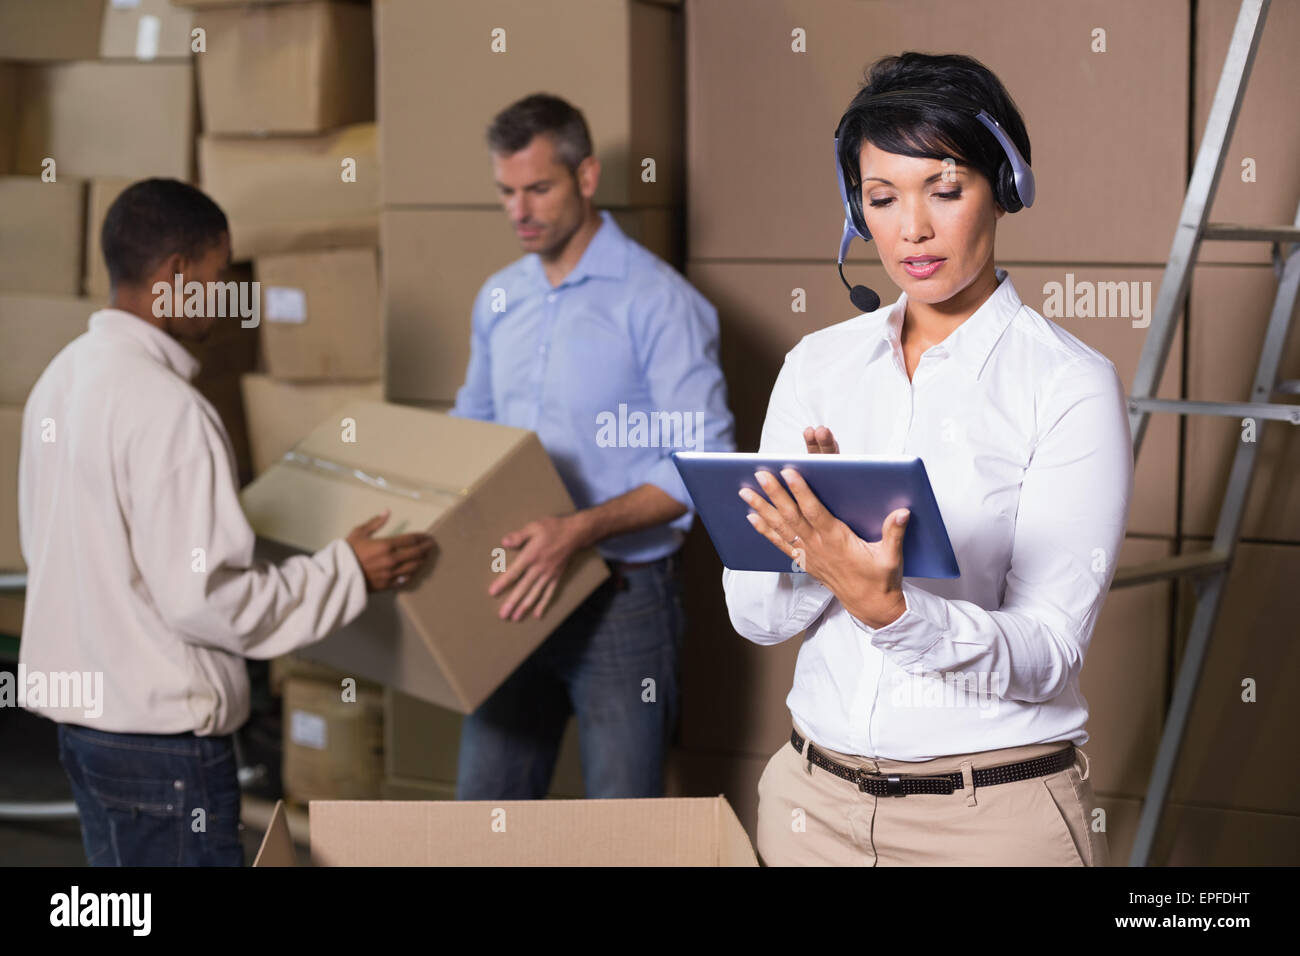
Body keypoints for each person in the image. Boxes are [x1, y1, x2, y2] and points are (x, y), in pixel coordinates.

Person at [723, 53, 1133, 866]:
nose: (912, 228)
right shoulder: (817, 366)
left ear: (1004, 188)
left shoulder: (1069, 386)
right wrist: (820, 555)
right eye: (882, 199)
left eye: (945, 191)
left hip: (991, 822)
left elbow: (1048, 654)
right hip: (813, 806)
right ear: (856, 210)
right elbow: (753, 616)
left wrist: (892, 610)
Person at [17, 178, 434, 866]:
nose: (226, 298)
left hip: (85, 734)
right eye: (218, 276)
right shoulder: (171, 411)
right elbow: (208, 600)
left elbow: (61, 550)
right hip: (162, 749)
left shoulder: (59, 382)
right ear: (177, 275)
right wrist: (346, 572)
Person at [451, 93, 735, 799]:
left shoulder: (657, 300)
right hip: (514, 589)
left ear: (585, 178)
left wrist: (579, 529)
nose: (520, 210)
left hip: (623, 602)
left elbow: (703, 463)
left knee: (620, 836)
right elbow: (472, 424)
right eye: (506, 192)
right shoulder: (498, 298)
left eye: (539, 188)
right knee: (482, 824)